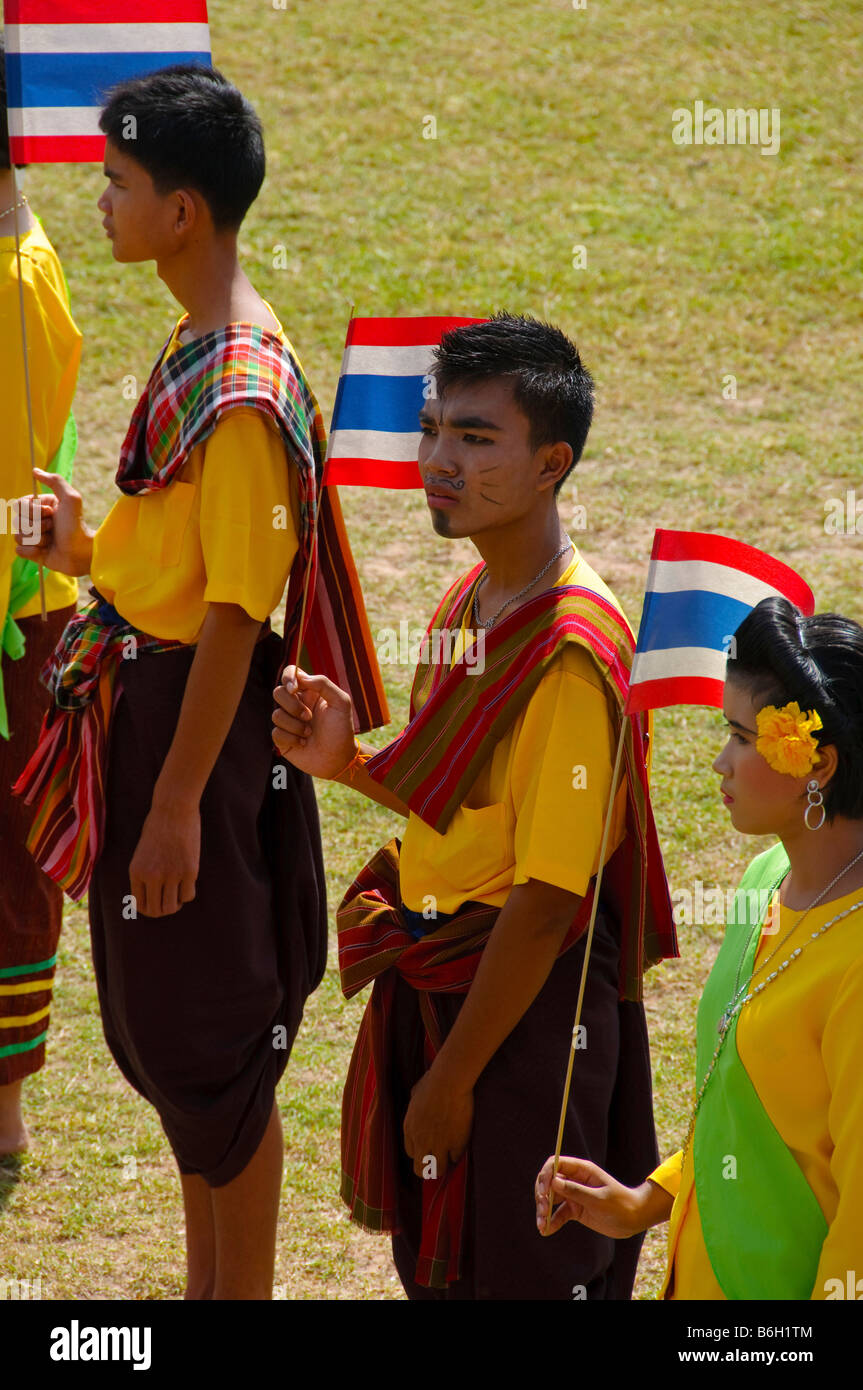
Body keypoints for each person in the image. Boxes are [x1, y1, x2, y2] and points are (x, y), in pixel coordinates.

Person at [14, 65, 384, 1299]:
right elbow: (180, 567)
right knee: (175, 1047)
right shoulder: (194, 337)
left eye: (117, 183)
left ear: (182, 210)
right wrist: (81, 549)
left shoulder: (237, 393)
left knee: (218, 1049)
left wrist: (174, 804)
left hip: (193, 735)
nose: (98, 203)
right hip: (145, 705)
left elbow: (233, 614)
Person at [272, 313, 677, 1300]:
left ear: (551, 463)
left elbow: (543, 905)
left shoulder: (571, 656)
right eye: (431, 428)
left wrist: (450, 1079)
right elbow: (459, 795)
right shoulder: (468, 606)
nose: (438, 460)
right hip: (446, 988)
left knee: (524, 1269)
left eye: (475, 437)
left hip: (521, 1023)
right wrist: (347, 763)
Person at [535, 596, 863, 1300]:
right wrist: (646, 1200)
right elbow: (750, 1110)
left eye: (741, 738)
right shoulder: (763, 881)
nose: (719, 761)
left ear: (818, 762)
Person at [0, 35, 82, 1155]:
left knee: (13, 860)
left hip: (18, 608)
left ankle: (4, 1107)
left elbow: (22, 482)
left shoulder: (18, 277)